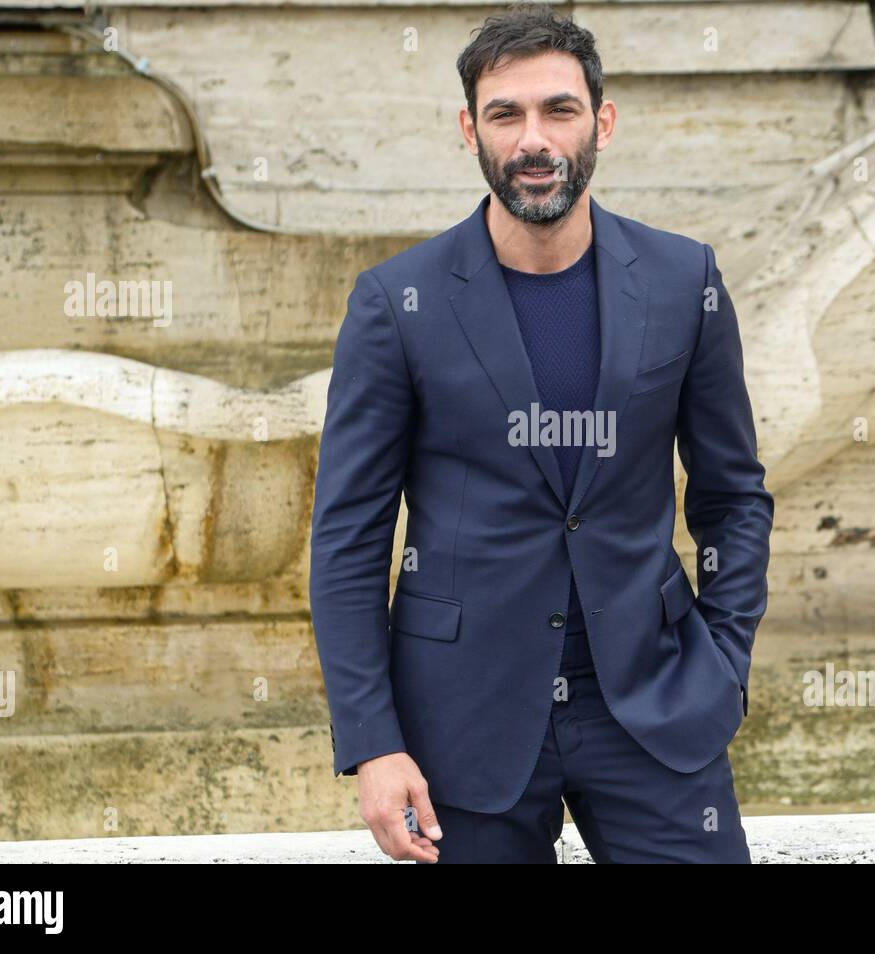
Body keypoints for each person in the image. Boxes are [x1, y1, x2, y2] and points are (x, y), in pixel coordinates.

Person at [309, 1, 773, 863]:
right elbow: (347, 540)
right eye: (505, 113)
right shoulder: (397, 303)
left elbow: (733, 497)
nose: (534, 139)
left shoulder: (684, 281)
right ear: (469, 129)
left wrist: (724, 664)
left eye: (558, 109)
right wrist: (372, 742)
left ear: (601, 121)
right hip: (461, 720)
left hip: (654, 707)